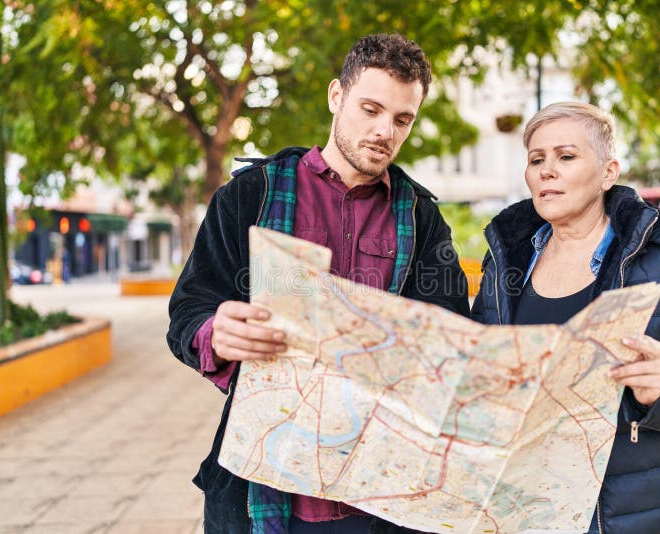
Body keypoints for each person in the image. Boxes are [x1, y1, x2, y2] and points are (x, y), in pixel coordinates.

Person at [167, 33, 469, 534]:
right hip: (265, 487)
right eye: (370, 109)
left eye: (401, 119)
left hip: (378, 496)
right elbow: (190, 308)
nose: (383, 131)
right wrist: (213, 332)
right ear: (336, 96)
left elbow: (450, 330)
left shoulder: (422, 218)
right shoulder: (249, 196)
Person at [471, 101, 660, 533]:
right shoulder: (505, 263)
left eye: (566, 156)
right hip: (533, 514)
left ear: (608, 172)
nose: (546, 170)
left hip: (645, 519)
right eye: (536, 159)